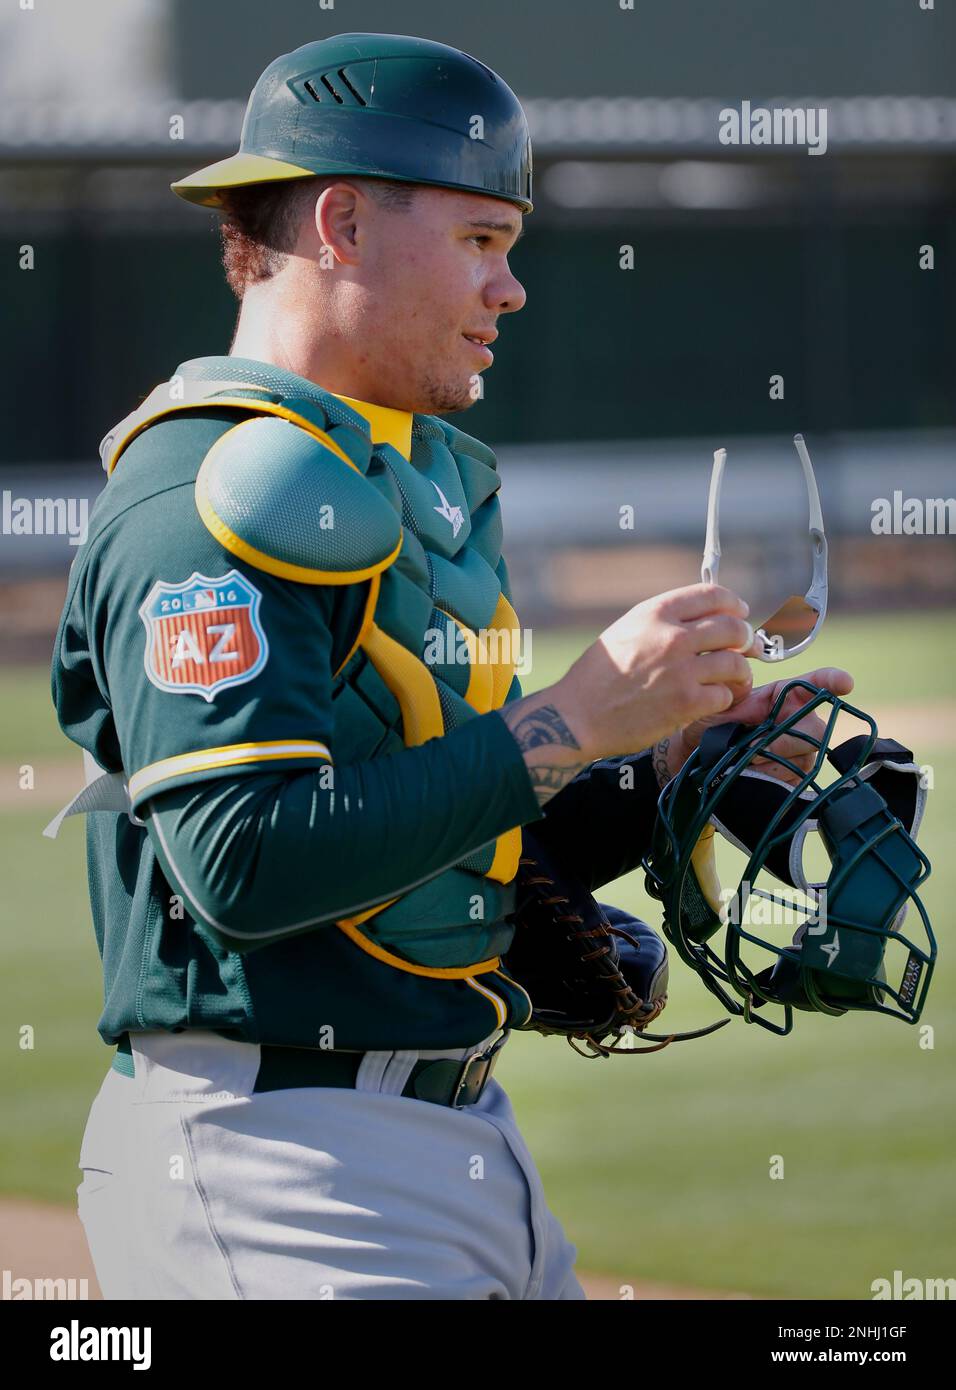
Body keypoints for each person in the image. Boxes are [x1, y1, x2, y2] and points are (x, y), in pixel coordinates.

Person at [50, 32, 851, 1300]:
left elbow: (439, 839)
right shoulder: (212, 488)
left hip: (454, 1139)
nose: (511, 287)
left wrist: (651, 766)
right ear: (344, 224)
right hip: (281, 1164)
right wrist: (573, 713)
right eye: (481, 241)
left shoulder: (401, 476)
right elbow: (244, 861)